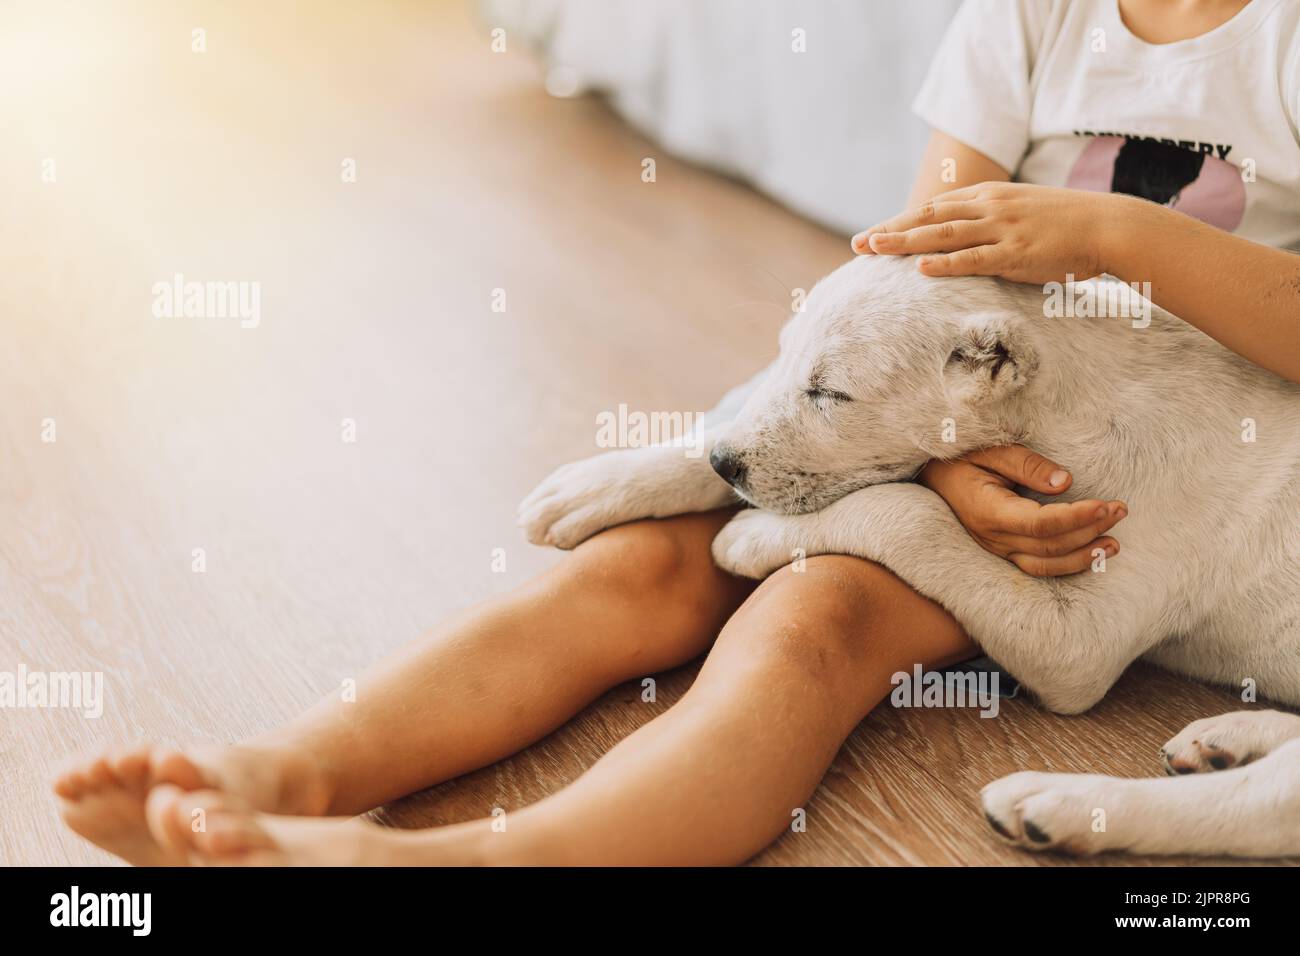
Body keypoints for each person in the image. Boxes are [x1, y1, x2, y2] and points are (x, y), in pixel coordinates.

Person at [55, 0, 1300, 865]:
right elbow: (923, 261)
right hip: (946, 413)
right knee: (640, 557)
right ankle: (284, 775)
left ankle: (511, 861)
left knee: (814, 615)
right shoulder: (1026, 15)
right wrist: (944, 456)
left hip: (1131, 483)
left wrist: (1116, 238)